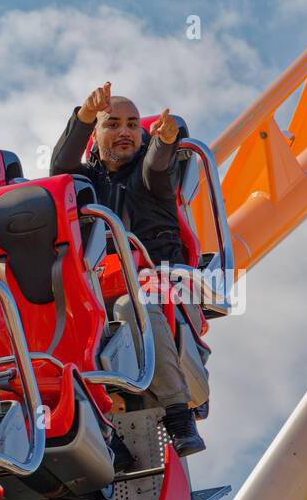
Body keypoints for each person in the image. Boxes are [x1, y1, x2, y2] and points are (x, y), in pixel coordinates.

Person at [51, 83, 205, 456]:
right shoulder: (87, 181)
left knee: (127, 308)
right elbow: (60, 169)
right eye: (113, 124)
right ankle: (102, 432)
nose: (124, 132)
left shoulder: (150, 175)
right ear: (96, 134)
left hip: (156, 281)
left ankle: (177, 413)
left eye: (133, 125)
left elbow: (158, 163)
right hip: (98, 285)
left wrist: (165, 141)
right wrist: (84, 115)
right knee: (66, 324)